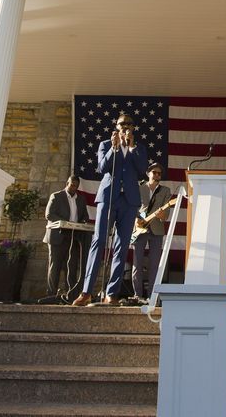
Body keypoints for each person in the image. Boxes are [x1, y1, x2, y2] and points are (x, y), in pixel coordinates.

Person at [71, 112, 149, 306]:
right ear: (117, 126)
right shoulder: (106, 145)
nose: (126, 127)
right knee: (98, 241)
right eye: (123, 124)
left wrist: (131, 147)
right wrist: (114, 148)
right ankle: (87, 291)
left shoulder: (138, 148)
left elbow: (142, 170)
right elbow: (102, 167)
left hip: (129, 201)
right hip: (109, 198)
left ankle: (111, 293)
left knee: (121, 246)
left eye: (130, 124)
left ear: (133, 128)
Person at [42, 175, 89, 301]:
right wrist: (65, 223)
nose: (74, 188)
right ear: (67, 183)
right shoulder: (56, 196)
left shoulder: (81, 199)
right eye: (72, 185)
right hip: (57, 236)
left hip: (73, 237)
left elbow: (85, 216)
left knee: (72, 266)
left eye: (76, 186)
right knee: (55, 266)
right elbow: (49, 214)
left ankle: (71, 295)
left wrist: (82, 223)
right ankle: (51, 295)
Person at [130, 161, 172, 301]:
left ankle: (152, 296)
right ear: (148, 173)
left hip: (157, 229)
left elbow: (166, 214)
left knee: (155, 264)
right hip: (140, 227)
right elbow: (133, 206)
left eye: (159, 173)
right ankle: (138, 295)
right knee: (137, 263)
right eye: (154, 172)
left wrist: (162, 216)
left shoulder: (165, 191)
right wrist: (136, 219)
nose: (157, 175)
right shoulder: (139, 187)